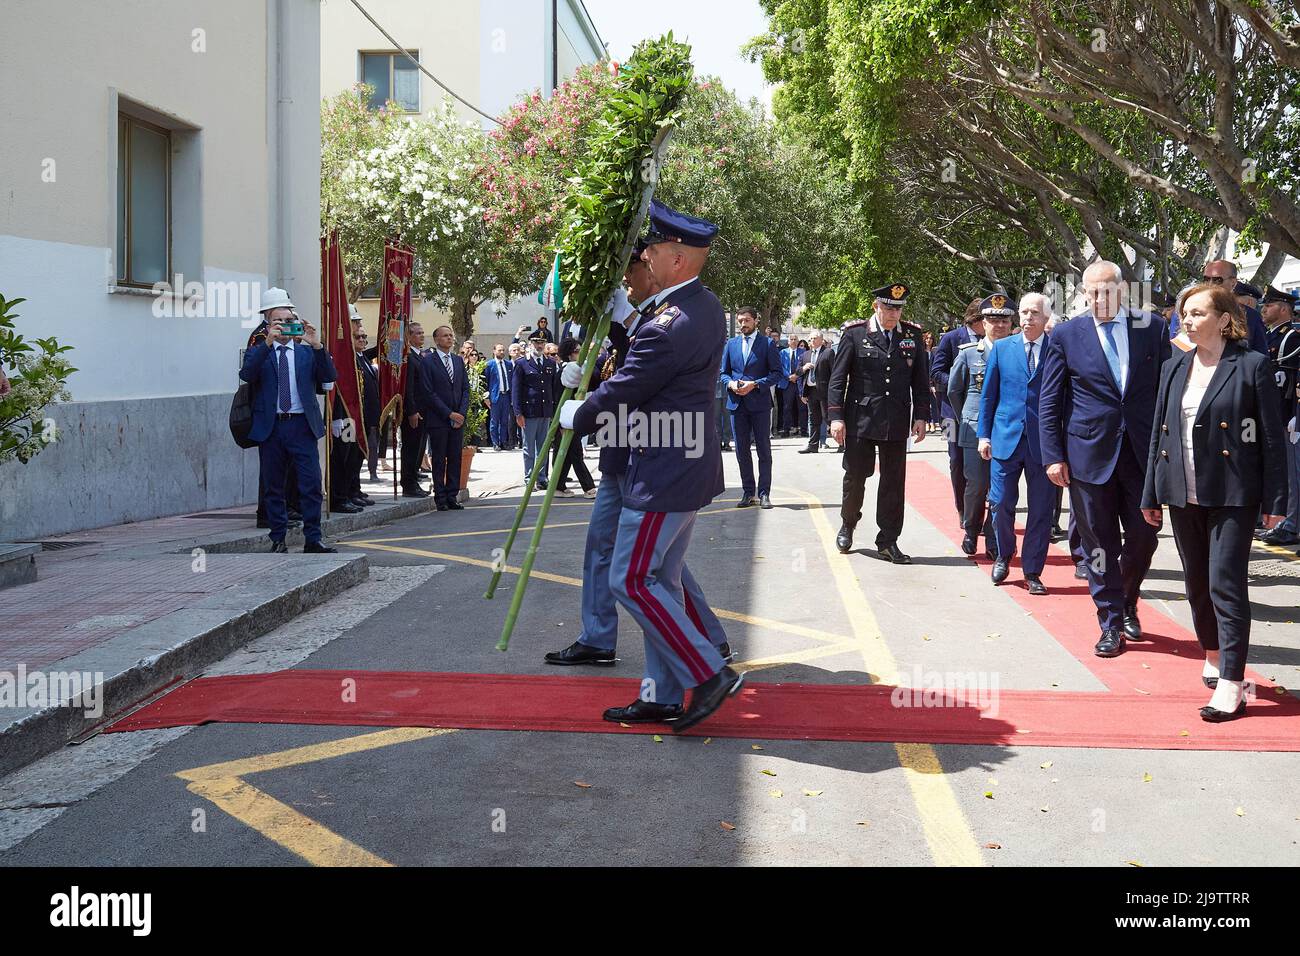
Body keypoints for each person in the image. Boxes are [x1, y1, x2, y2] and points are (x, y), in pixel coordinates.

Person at [560, 199, 741, 732]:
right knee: (659, 575)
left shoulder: (670, 322)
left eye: (653, 250)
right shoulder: (699, 306)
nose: (646, 257)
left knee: (631, 577)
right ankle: (662, 693)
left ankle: (708, 672)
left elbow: (629, 387)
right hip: (680, 466)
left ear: (678, 259)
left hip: (663, 471)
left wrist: (581, 411)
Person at [1141, 283, 1287, 721]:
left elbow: (1273, 440)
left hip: (1233, 491)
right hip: (1182, 490)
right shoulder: (1173, 367)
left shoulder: (1252, 366)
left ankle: (1231, 681)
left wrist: (1276, 498)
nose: (1187, 319)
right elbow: (1158, 434)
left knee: (1225, 583)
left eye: (1198, 313)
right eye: (1185, 313)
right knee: (1197, 585)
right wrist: (1151, 491)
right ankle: (1213, 650)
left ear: (1224, 319)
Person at [1040, 260, 1170, 658]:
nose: (1099, 299)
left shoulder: (1152, 328)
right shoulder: (1066, 334)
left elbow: (1165, 390)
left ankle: (1128, 598)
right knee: (1099, 544)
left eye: (1107, 291)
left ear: (1123, 290)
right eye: (1091, 292)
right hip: (1088, 456)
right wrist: (1053, 455)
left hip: (1141, 455)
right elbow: (1050, 400)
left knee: (1144, 538)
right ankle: (1111, 621)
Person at [828, 282, 930, 562]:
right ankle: (848, 523)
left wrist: (921, 415)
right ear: (876, 306)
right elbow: (838, 379)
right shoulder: (855, 333)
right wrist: (836, 417)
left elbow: (921, 380)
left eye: (898, 308)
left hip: (896, 419)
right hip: (860, 418)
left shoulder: (912, 335)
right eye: (888, 307)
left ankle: (888, 540)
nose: (893, 313)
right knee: (855, 477)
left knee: (893, 483)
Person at [238, 287, 338, 553]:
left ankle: (313, 538)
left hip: (301, 425)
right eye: (277, 321)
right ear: (268, 324)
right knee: (273, 485)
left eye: (289, 320)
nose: (284, 325)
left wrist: (317, 344)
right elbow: (247, 374)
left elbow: (329, 377)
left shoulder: (306, 352)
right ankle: (278, 538)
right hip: (271, 427)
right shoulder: (260, 350)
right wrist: (268, 343)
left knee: (310, 484)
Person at [979, 292, 1054, 593]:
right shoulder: (1002, 349)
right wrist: (984, 435)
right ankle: (1004, 553)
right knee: (1000, 502)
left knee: (1041, 510)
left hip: (1044, 444)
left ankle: (1033, 570)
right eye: (1023, 312)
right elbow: (988, 396)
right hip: (1005, 439)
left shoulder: (1057, 350)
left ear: (1046, 317)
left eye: (1034, 313)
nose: (1027, 318)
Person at [949, 295, 1013, 560]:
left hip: (1007, 431)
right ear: (983, 323)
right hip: (973, 431)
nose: (998, 326)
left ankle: (993, 535)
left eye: (1004, 321)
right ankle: (971, 529)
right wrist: (969, 417)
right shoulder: (968, 354)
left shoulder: (1017, 351)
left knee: (1002, 489)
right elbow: (954, 391)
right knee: (976, 485)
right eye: (993, 320)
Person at [720, 306, 783, 508]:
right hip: (737, 404)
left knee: (763, 450)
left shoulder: (767, 344)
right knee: (741, 450)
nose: (742, 324)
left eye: (746, 320)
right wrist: (730, 384)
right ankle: (748, 492)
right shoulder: (731, 344)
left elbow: (776, 373)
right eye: (739, 321)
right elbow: (723, 373)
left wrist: (755, 384)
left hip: (760, 404)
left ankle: (764, 493)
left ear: (756, 321)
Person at [931, 300, 985, 522]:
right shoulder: (952, 338)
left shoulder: (995, 340)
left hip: (981, 413)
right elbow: (936, 372)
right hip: (950, 415)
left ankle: (980, 506)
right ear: (975, 319)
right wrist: (960, 381)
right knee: (956, 459)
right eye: (986, 319)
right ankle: (962, 507)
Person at [1257, 285, 1300, 545]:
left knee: (1290, 475)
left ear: (1284, 308)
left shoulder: (1291, 337)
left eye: (1269, 305)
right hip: (1271, 415)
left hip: (1285, 415)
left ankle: (1291, 523)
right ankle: (1282, 519)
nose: (1264, 309)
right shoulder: (1269, 336)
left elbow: (1290, 381)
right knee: (1278, 472)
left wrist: (1292, 415)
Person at [1169, 260, 1267, 355]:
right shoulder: (1184, 312)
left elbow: (1261, 357)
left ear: (1233, 283)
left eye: (1217, 280)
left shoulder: (1251, 316)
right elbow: (1175, 351)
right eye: (1206, 279)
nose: (1210, 284)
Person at [424, 324, 469, 511]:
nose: (449, 338)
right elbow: (428, 392)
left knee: (455, 457)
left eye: (451, 335)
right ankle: (440, 497)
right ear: (436, 340)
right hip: (438, 419)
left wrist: (461, 413)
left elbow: (465, 389)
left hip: (457, 420)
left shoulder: (458, 361)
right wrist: (448, 413)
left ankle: (452, 495)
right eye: (445, 336)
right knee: (439, 459)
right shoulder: (429, 361)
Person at [549, 336, 596, 498]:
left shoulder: (575, 370)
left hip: (573, 416)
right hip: (566, 418)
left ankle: (558, 486)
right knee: (575, 453)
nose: (579, 354)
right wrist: (561, 424)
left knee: (567, 454)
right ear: (569, 355)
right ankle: (588, 487)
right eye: (577, 351)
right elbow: (559, 399)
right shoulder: (565, 372)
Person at [512, 330, 557, 491]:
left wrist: (554, 410)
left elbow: (552, 388)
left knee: (544, 448)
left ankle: (542, 477)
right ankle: (529, 478)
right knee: (529, 448)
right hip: (529, 412)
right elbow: (516, 390)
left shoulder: (550, 363)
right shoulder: (522, 363)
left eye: (542, 342)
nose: (539, 345)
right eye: (537, 342)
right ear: (530, 344)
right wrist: (518, 413)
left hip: (545, 411)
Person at [400, 322, 432, 498]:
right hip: (415, 411)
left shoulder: (421, 355)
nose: (421, 336)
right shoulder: (409, 357)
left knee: (419, 448)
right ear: (409, 336)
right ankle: (408, 484)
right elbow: (408, 387)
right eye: (417, 333)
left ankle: (413, 477)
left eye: (422, 332)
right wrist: (411, 411)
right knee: (411, 448)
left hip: (424, 410)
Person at [798, 331, 834, 453]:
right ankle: (813, 445)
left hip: (824, 391)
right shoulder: (805, 355)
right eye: (810, 338)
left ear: (821, 340)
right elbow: (797, 372)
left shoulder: (828, 352)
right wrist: (804, 368)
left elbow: (834, 372)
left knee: (828, 417)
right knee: (813, 419)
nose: (812, 340)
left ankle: (842, 443)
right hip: (811, 390)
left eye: (815, 338)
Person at [485, 343, 514, 451]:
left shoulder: (508, 364)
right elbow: (485, 382)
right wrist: (486, 397)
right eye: (499, 350)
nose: (502, 352)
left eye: (503, 350)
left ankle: (503, 442)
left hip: (506, 396)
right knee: (494, 421)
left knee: (505, 421)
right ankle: (495, 443)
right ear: (494, 351)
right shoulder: (489, 365)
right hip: (495, 396)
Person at [779, 337, 806, 438]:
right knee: (787, 407)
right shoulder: (783, 352)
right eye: (791, 339)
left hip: (800, 382)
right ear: (788, 341)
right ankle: (786, 430)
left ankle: (803, 430)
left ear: (798, 341)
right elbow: (780, 366)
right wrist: (789, 376)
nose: (793, 341)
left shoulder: (803, 352)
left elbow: (804, 365)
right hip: (787, 383)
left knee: (802, 407)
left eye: (795, 339)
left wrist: (797, 376)